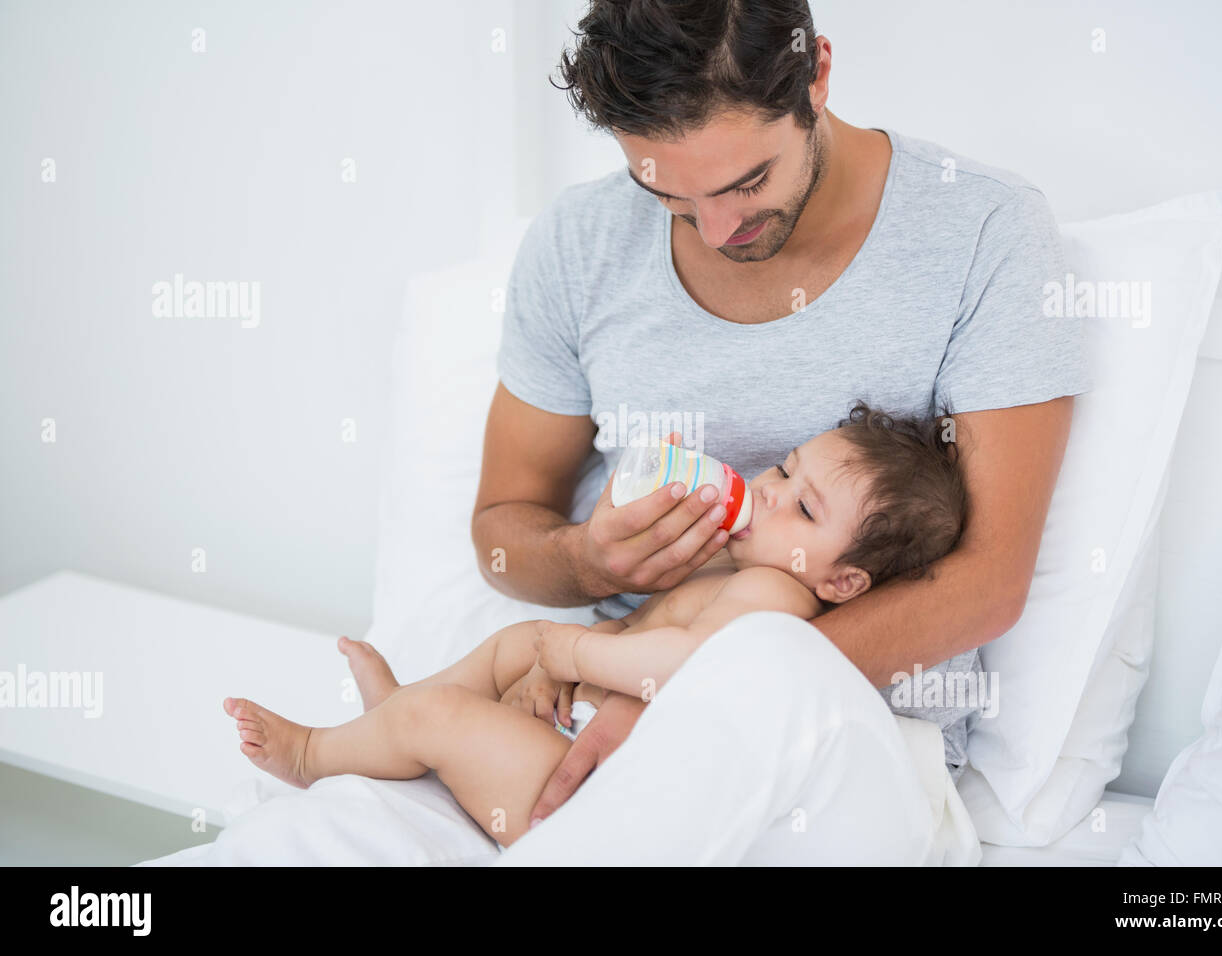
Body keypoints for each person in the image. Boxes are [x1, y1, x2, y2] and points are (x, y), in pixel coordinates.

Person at [472, 0, 1088, 864]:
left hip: (850, 735)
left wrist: (686, 697)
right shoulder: (577, 245)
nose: (718, 232)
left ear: (817, 73)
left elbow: (986, 583)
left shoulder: (984, 233)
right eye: (670, 198)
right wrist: (585, 564)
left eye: (745, 184)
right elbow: (503, 527)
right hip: (598, 696)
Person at [222, 403, 976, 849]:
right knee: (510, 647)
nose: (771, 495)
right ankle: (392, 714)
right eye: (783, 471)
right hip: (572, 728)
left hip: (581, 796)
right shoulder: (745, 569)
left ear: (843, 581)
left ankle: (317, 754)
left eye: (805, 509)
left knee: (447, 713)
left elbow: (687, 669)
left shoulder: (780, 607)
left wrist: (570, 647)